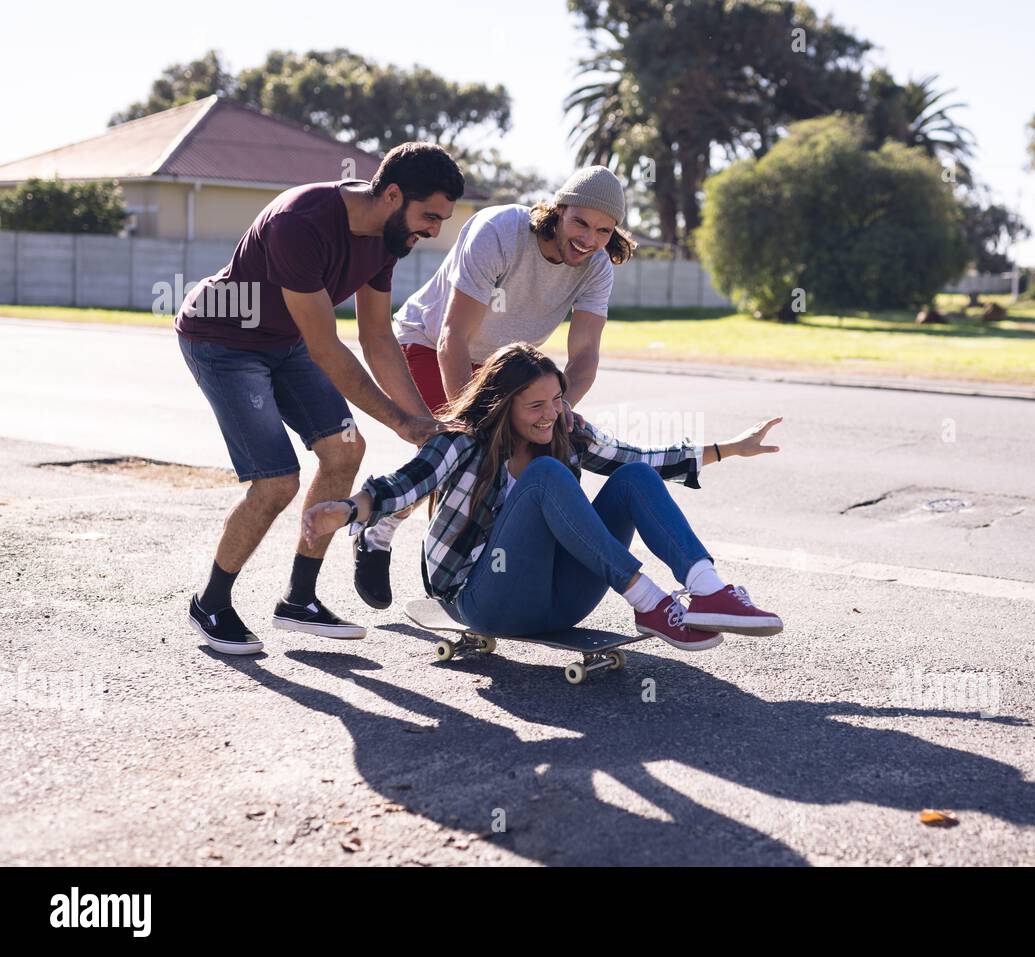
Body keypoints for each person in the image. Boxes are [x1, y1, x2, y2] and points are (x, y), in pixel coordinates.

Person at [177, 142, 463, 656]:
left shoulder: (388, 236)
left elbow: (376, 335)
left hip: (284, 342)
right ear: (392, 194)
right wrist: (400, 422)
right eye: (429, 216)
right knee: (276, 481)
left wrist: (424, 421)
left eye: (441, 219)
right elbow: (328, 349)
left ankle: (298, 600)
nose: (434, 231)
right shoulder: (300, 221)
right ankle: (210, 603)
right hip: (224, 341)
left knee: (345, 451)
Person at [305, 343, 784, 648]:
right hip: (482, 599)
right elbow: (406, 482)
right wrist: (351, 509)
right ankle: (651, 603)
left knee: (634, 478)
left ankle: (708, 589)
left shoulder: (566, 429)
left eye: (557, 400)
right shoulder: (460, 440)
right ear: (500, 406)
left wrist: (728, 449)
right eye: (535, 405)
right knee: (548, 477)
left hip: (562, 602)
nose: (551, 415)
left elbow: (645, 460)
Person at [351, 166, 636, 611]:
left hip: (504, 369)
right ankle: (379, 530)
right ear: (558, 211)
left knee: (500, 460)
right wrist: (470, 426)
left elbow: (583, 358)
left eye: (604, 230)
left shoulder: (596, 266)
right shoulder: (500, 231)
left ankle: (485, 567)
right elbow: (453, 337)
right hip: (429, 343)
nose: (590, 238)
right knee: (455, 451)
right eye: (580, 222)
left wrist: (552, 412)